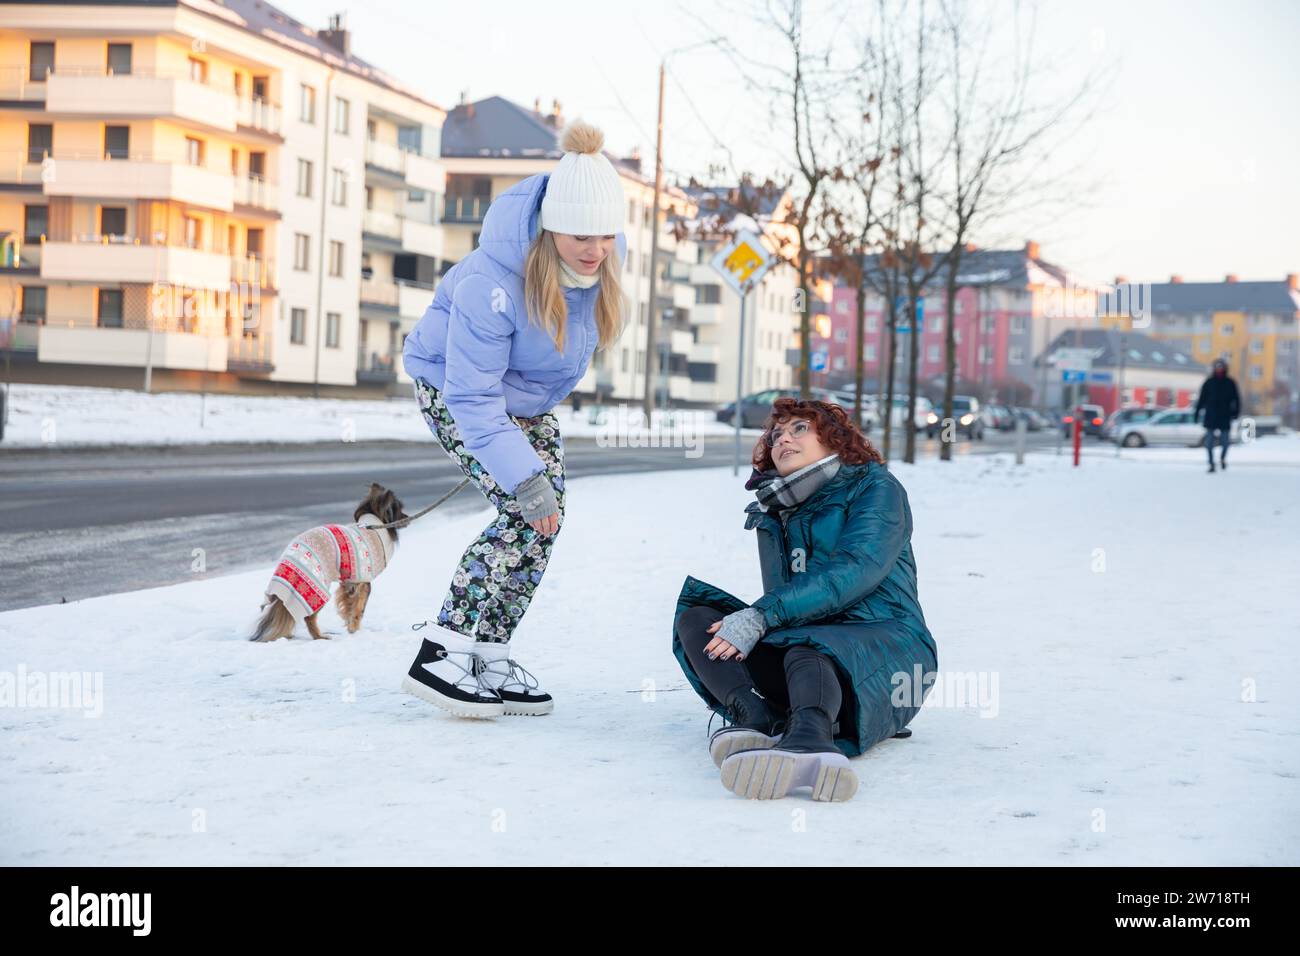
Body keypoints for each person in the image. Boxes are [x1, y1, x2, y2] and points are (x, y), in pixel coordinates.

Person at [399, 120, 627, 718]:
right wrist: (524, 481)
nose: (595, 248)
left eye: (606, 234)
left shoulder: (598, 264)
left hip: (523, 402)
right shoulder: (490, 282)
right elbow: (470, 398)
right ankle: (441, 650)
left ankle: (488, 654)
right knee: (522, 508)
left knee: (548, 519)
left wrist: (536, 484)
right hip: (453, 388)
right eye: (581, 234)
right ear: (551, 227)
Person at [672, 398, 938, 802]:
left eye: (799, 429)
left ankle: (811, 738)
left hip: (890, 649)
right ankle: (755, 716)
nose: (783, 439)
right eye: (776, 434)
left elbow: (855, 569)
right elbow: (793, 610)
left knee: (806, 642)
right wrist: (751, 622)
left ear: (834, 441)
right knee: (699, 616)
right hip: (811, 655)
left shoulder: (875, 487)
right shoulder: (776, 511)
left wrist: (762, 616)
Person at [1194, 357, 1241, 473]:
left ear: (1225, 369)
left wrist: (1236, 413)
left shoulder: (1230, 383)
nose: (1219, 370)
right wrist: (1197, 413)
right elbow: (1201, 399)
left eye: (1221, 367)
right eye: (1217, 367)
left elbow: (1236, 399)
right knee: (1209, 442)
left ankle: (1222, 458)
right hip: (1211, 416)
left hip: (1225, 416)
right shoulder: (1209, 382)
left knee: (1225, 442)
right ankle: (1211, 464)